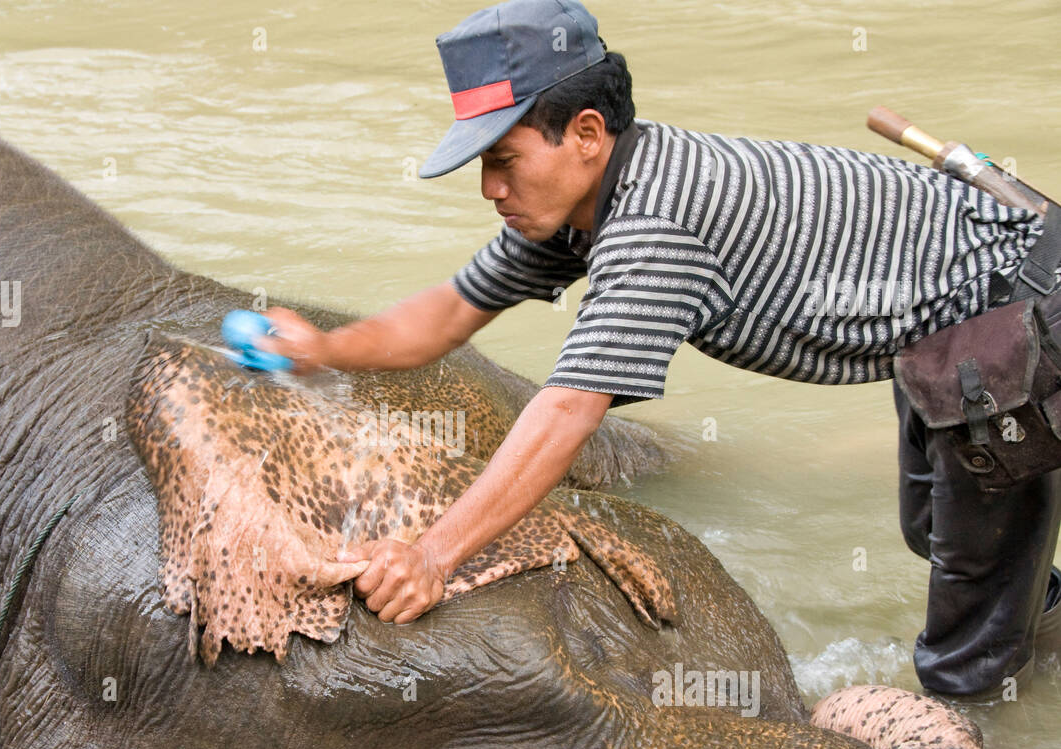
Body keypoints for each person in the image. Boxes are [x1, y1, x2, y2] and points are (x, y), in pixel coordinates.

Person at [255, 0, 1061, 698]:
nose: (489, 189)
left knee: (965, 656)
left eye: (503, 160)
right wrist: (326, 347)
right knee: (943, 538)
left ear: (587, 133)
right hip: (946, 331)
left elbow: (568, 408)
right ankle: (1037, 623)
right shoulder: (580, 205)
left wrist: (432, 556)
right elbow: (449, 312)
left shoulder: (655, 223)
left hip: (1010, 323)